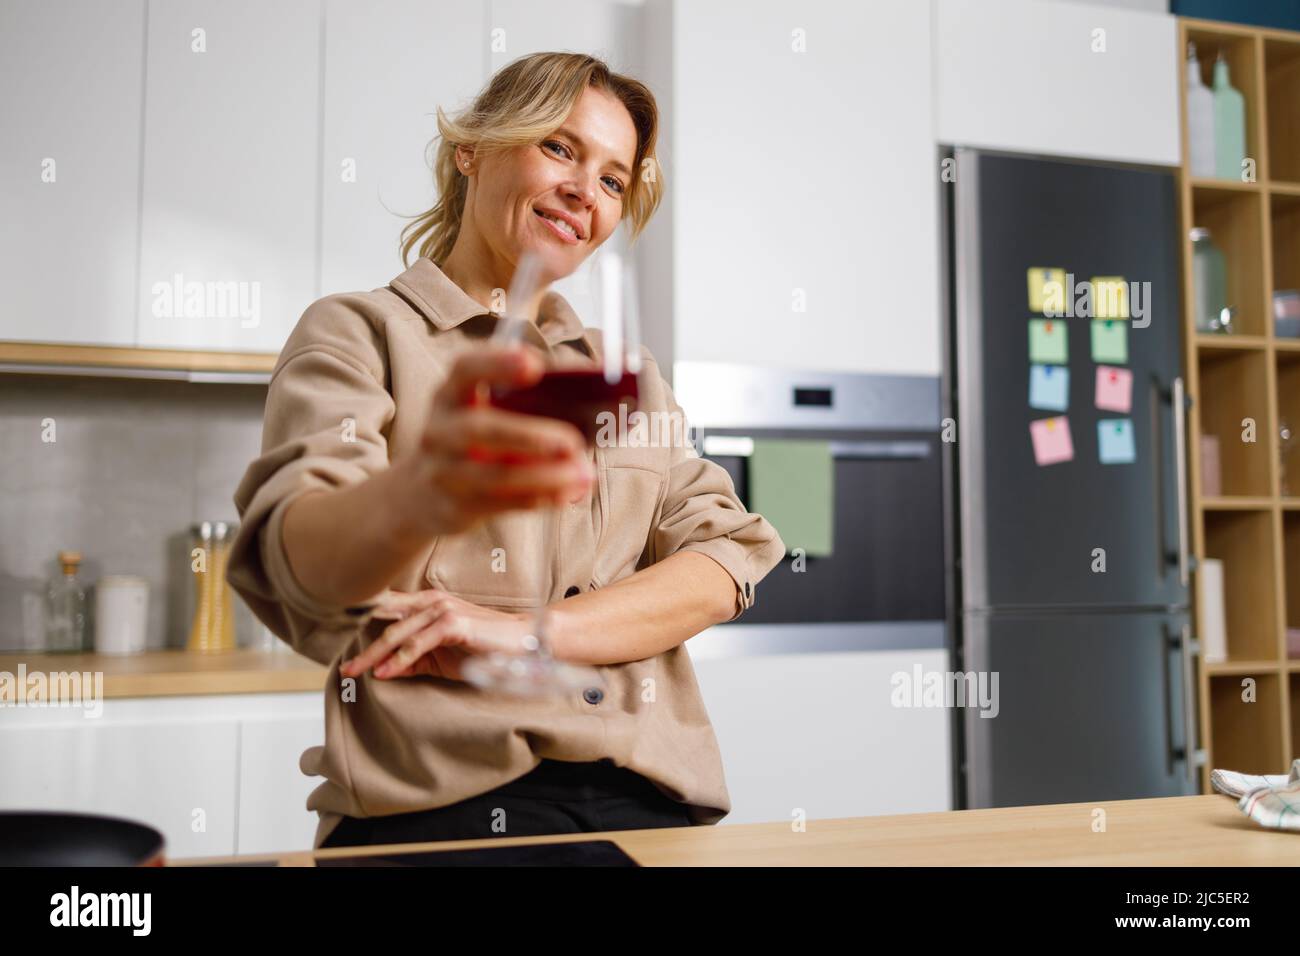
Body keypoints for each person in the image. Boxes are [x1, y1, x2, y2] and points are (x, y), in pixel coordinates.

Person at [227, 51, 784, 851]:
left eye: (613, 180)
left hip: (655, 803)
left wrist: (526, 633)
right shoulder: (358, 334)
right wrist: (423, 491)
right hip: (439, 806)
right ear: (474, 149)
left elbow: (726, 561)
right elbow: (302, 573)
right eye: (559, 148)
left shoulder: (627, 379)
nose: (584, 193)